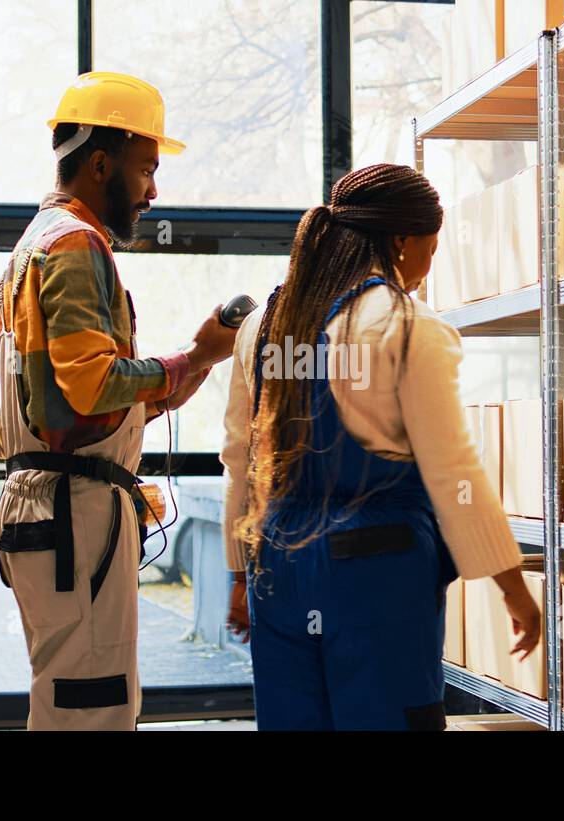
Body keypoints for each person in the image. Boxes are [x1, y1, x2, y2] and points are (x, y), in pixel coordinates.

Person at [219, 164, 540, 730]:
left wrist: (239, 575)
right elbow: (452, 472)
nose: (427, 267)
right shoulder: (403, 324)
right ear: (401, 241)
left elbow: (241, 462)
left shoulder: (264, 325)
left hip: (279, 570)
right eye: (430, 248)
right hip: (375, 576)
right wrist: (513, 587)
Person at [0, 72, 237, 730]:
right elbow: (94, 383)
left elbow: (69, 407)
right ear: (101, 164)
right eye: (146, 169)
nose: (154, 189)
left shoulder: (34, 245)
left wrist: (190, 365)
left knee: (72, 698)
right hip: (76, 517)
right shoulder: (75, 244)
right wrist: (183, 361)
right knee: (92, 706)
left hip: (52, 506)